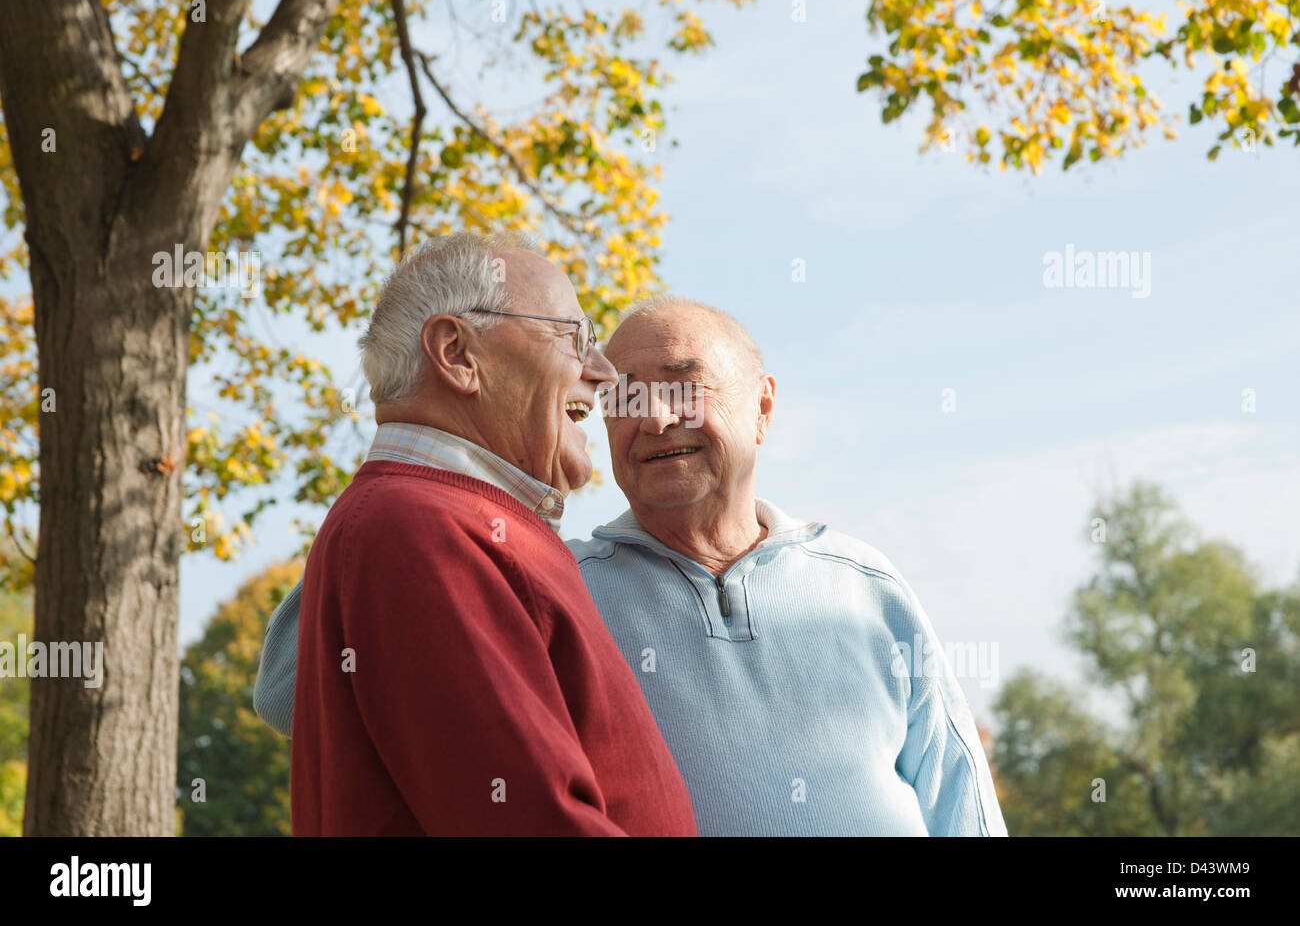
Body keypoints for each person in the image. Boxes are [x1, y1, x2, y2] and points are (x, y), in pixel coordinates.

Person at [258, 292, 1007, 836]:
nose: (652, 417)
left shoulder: (864, 588)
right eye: (626, 396)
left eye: (682, 385)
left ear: (763, 408)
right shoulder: (545, 579)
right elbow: (296, 690)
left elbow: (959, 803)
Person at [278, 232, 697, 836]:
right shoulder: (416, 527)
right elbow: (531, 821)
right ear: (457, 355)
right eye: (575, 337)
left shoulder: (443, 520)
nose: (603, 373)